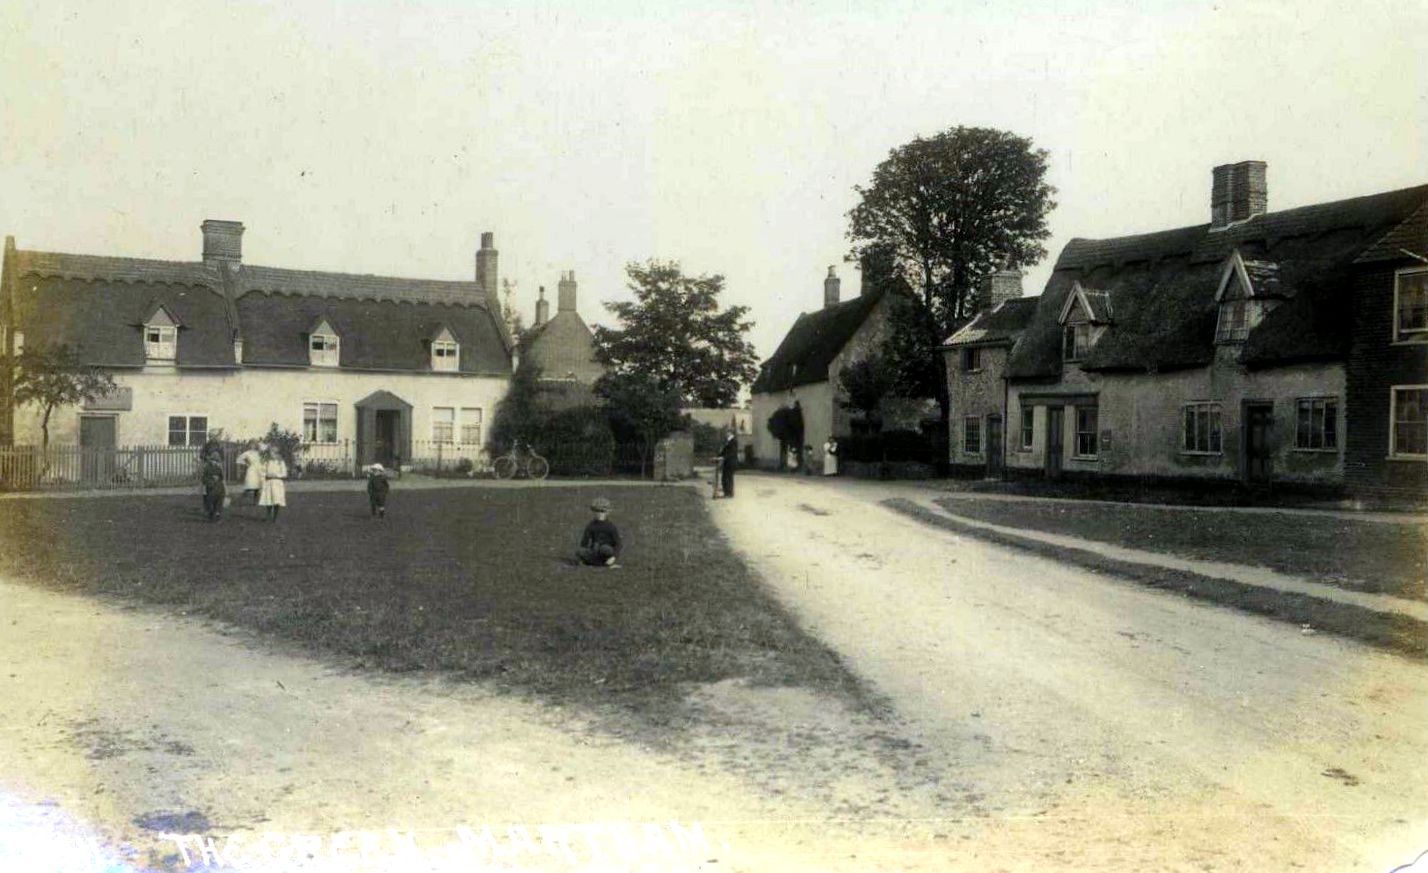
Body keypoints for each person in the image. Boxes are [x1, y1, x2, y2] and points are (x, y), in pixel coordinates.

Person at [577, 497, 622, 567]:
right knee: (580, 551)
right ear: (594, 512)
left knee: (605, 548)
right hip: (595, 551)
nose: (600, 514)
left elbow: (618, 544)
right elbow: (584, 543)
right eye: (597, 511)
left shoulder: (611, 527)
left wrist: (614, 557)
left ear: (607, 512)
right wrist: (581, 556)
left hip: (606, 552)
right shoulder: (591, 526)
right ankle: (600, 563)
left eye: (602, 511)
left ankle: (600, 562)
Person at [258, 447, 288, 522]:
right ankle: (268, 516)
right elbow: (263, 471)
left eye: (273, 452)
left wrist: (276, 475)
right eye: (270, 452)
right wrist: (264, 478)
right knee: (268, 499)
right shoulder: (267, 461)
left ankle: (274, 517)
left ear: (276, 453)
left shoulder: (280, 462)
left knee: (276, 499)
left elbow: (284, 473)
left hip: (277, 483)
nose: (271, 454)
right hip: (268, 482)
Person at [201, 451, 226, 522]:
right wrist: (211, 479)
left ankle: (218, 513)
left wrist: (218, 478)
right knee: (210, 500)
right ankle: (211, 513)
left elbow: (222, 477)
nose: (214, 462)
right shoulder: (207, 467)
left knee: (219, 499)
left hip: (218, 486)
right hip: (210, 486)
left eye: (216, 461)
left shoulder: (219, 468)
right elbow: (204, 478)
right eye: (213, 460)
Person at [236, 441, 264, 506]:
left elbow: (261, 461)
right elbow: (238, 459)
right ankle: (240, 500)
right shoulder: (247, 453)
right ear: (249, 445)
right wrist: (246, 463)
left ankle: (255, 502)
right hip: (251, 470)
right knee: (249, 486)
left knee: (257, 487)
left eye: (254, 445)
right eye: (251, 445)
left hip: (258, 470)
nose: (252, 446)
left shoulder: (258, 453)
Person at [718, 430, 739, 499]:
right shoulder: (728, 441)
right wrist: (719, 456)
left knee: (728, 477)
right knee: (726, 477)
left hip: (731, 462)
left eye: (727, 433)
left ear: (730, 433)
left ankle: (728, 493)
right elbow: (724, 451)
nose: (726, 434)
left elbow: (732, 453)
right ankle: (727, 493)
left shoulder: (733, 441)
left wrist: (723, 457)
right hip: (727, 462)